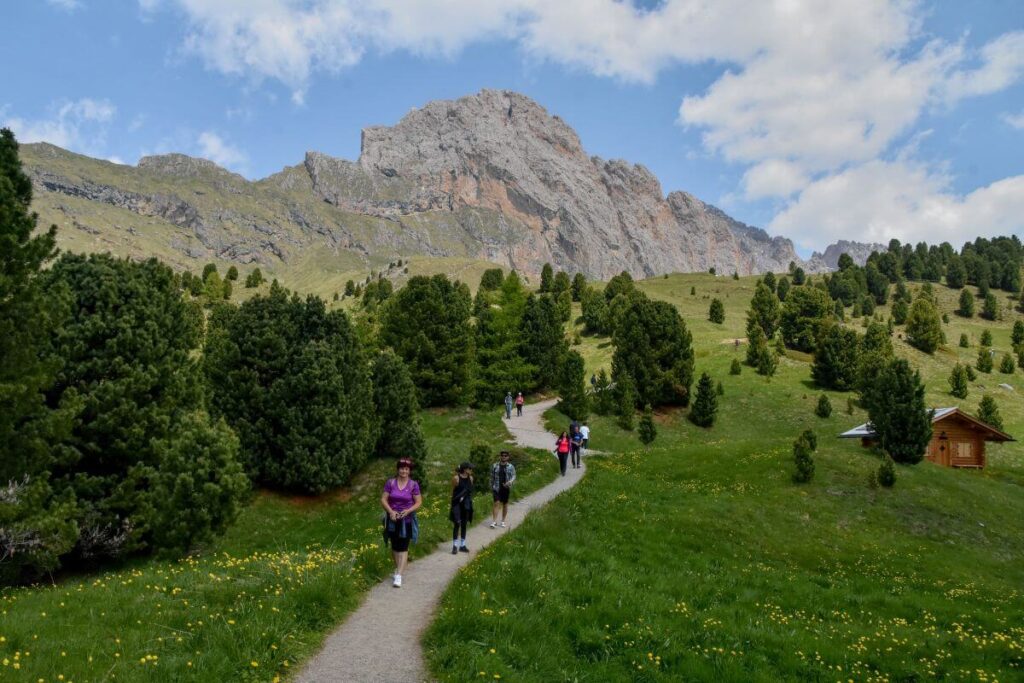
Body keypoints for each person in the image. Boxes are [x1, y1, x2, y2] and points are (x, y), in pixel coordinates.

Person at [380, 458, 422, 587]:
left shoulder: (413, 485)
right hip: (392, 519)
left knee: (403, 547)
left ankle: (399, 575)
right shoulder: (390, 483)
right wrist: (390, 511)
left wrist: (408, 511)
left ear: (409, 471)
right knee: (394, 546)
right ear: (398, 469)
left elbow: (419, 502)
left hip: (406, 520)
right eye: (402, 468)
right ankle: (398, 568)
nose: (404, 471)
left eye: (406, 469)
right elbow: (383, 499)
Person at [449, 462, 474, 554]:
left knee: (464, 524)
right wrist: (452, 504)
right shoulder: (456, 478)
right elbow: (452, 492)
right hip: (457, 504)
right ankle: (455, 546)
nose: (471, 470)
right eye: (470, 468)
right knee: (457, 523)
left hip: (466, 504)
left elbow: (470, 491)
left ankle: (462, 545)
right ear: (465, 469)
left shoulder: (471, 478)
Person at [489, 451, 516, 528]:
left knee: (505, 504)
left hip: (506, 488)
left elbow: (514, 476)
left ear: (508, 457)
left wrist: (509, 482)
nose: (504, 457)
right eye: (502, 455)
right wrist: (491, 486)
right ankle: (494, 521)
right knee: (496, 503)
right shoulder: (495, 465)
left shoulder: (511, 466)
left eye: (505, 456)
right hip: (496, 487)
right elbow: (491, 476)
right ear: (500, 456)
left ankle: (503, 521)